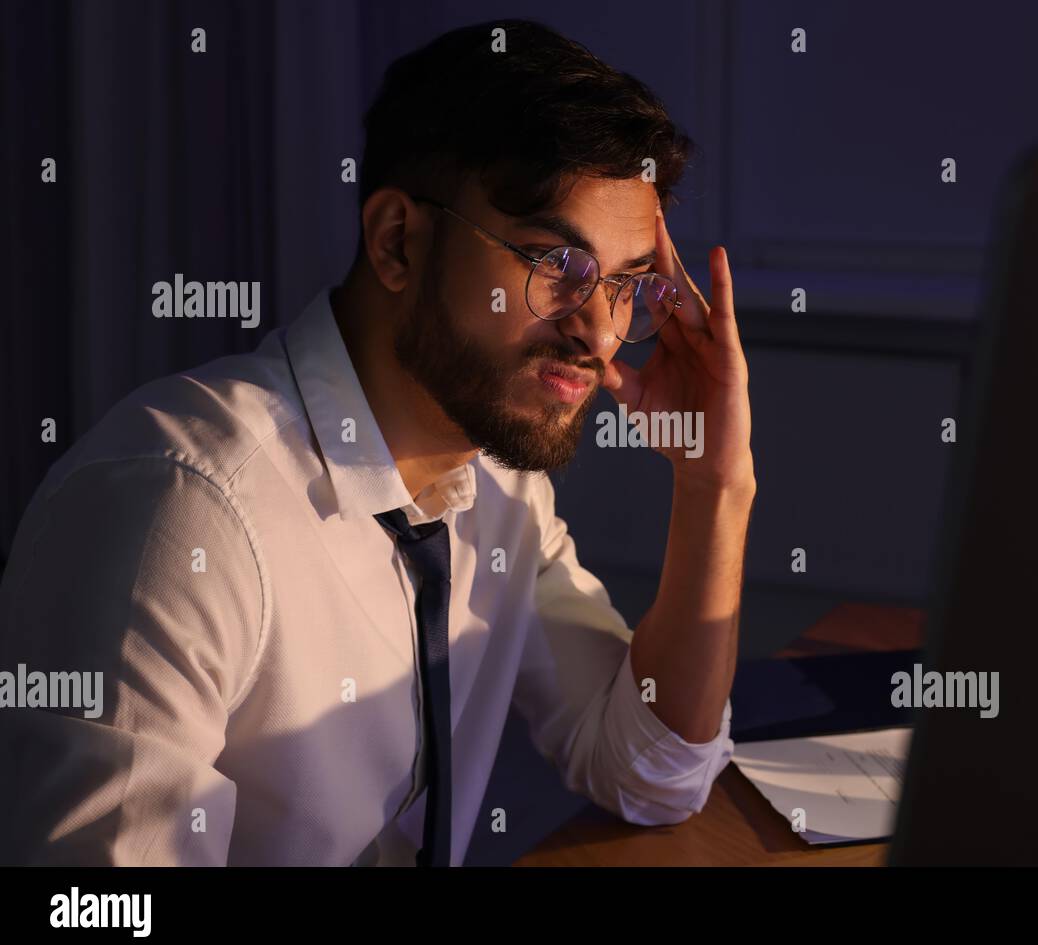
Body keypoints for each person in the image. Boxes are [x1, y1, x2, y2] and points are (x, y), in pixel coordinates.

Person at [0, 18, 755, 866]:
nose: (600, 334)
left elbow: (653, 773)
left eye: (622, 285)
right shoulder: (180, 510)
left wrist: (713, 486)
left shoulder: (499, 487)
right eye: (555, 264)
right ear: (398, 239)